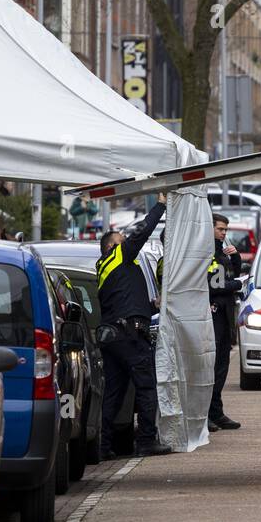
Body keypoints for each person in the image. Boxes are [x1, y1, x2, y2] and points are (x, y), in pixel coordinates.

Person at [96, 193, 171, 458]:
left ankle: (103, 447)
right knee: (146, 386)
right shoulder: (118, 257)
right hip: (129, 335)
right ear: (110, 248)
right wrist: (160, 205)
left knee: (113, 394)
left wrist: (153, 306)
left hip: (114, 335)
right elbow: (140, 233)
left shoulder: (105, 268)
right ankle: (146, 441)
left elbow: (122, 302)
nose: (125, 242)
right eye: (120, 242)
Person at [207, 214, 243, 431]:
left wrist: (236, 258)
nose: (224, 233)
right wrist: (237, 285)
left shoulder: (221, 251)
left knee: (221, 368)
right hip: (214, 315)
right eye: (220, 229)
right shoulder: (208, 253)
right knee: (212, 369)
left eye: (225, 230)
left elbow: (229, 273)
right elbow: (215, 285)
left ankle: (216, 412)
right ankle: (208, 414)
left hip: (224, 316)